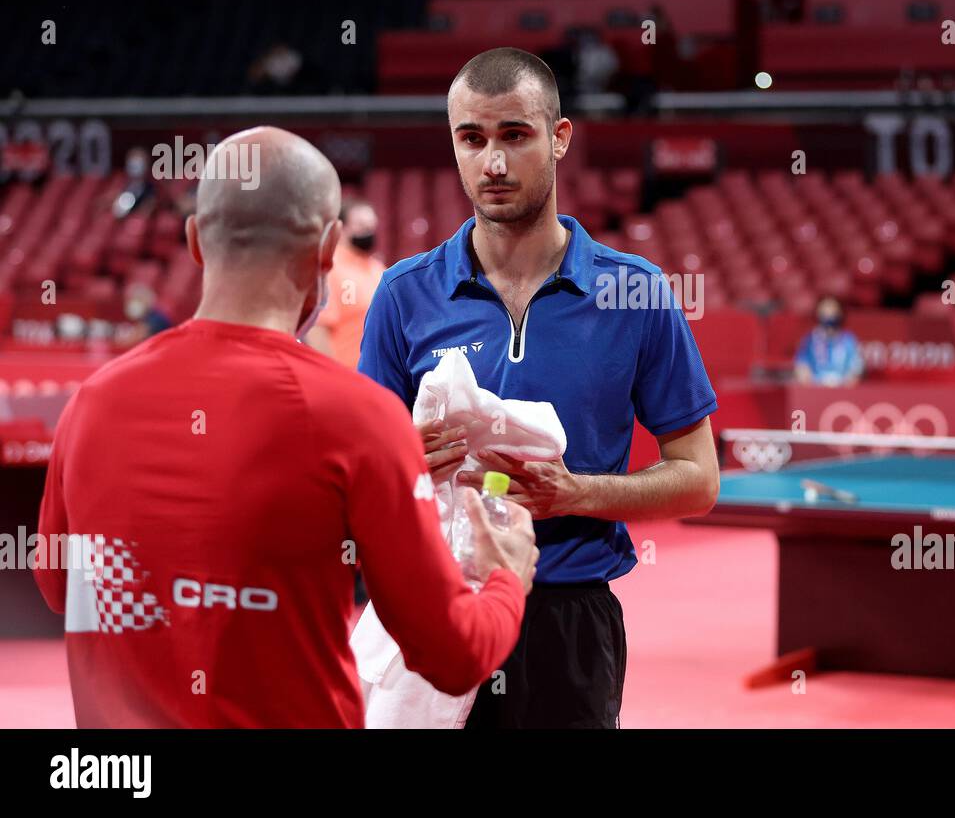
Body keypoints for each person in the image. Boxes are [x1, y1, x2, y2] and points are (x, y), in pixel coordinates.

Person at [35, 126, 537, 728]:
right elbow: (453, 655)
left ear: (196, 241)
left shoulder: (93, 402)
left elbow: (64, 589)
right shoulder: (359, 419)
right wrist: (505, 578)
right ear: (328, 251)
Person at [358, 47, 720, 729]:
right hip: (435, 613)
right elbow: (355, 480)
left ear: (559, 138)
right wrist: (401, 460)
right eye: (473, 138)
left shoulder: (634, 292)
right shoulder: (403, 296)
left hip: (570, 623)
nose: (492, 163)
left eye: (514, 136)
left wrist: (578, 493)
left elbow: (699, 479)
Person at [306, 196, 386, 368]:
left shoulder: (378, 268)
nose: (368, 232)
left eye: (371, 226)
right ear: (341, 229)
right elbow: (317, 330)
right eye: (361, 226)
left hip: (376, 378)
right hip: (346, 375)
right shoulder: (328, 269)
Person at [794, 295, 864, 386]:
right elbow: (801, 368)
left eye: (832, 308)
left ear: (839, 312)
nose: (828, 313)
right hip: (815, 389)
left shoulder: (849, 340)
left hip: (843, 391)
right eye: (825, 309)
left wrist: (844, 384)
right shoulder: (809, 340)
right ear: (818, 312)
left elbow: (856, 369)